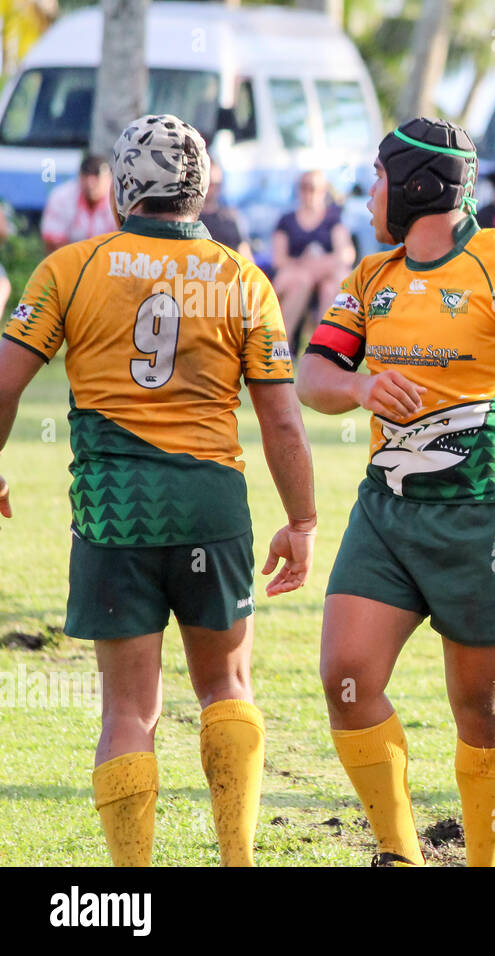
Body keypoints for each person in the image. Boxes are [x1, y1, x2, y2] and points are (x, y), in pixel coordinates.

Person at [297, 117, 495, 868]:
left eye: (379, 177)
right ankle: (399, 853)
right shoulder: (372, 278)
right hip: (386, 514)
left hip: (482, 517)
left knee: (483, 710)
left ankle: (483, 861)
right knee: (346, 680)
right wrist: (360, 385)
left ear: (415, 186)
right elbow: (313, 377)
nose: (370, 191)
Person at [0, 114, 316, 866]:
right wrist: (301, 521)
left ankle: (132, 889)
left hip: (115, 515)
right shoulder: (244, 278)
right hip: (214, 511)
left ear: (122, 185)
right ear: (200, 188)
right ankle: (238, 859)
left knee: (128, 711)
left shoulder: (71, 267)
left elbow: (5, 381)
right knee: (227, 687)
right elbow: (283, 422)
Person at [272, 169, 356, 350]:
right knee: (301, 280)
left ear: (324, 190)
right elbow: (279, 259)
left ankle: (324, 348)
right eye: (304, 187)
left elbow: (346, 254)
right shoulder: (286, 221)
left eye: (314, 188)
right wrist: (306, 267)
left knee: (330, 285)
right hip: (296, 280)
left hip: (325, 278)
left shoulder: (333, 219)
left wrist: (315, 266)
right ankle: (280, 346)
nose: (309, 192)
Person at [40, 153, 118, 252]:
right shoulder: (61, 197)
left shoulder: (119, 199)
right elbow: (52, 241)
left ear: (109, 178)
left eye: (97, 176)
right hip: (70, 261)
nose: (90, 183)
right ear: (79, 176)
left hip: (108, 261)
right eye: (86, 175)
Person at [199, 159, 252, 259]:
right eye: (210, 183)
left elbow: (246, 257)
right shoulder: (187, 220)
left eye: (217, 184)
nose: (214, 188)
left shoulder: (231, 218)